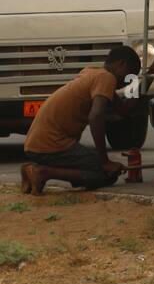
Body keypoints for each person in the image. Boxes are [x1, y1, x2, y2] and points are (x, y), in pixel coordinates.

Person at [20, 45, 142, 195]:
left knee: (94, 170)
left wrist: (140, 82)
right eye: (130, 76)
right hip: (53, 144)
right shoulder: (106, 78)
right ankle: (42, 173)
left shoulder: (93, 73)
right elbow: (95, 116)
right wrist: (104, 162)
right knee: (104, 175)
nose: (128, 83)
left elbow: (124, 110)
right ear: (121, 65)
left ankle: (32, 169)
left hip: (36, 145)